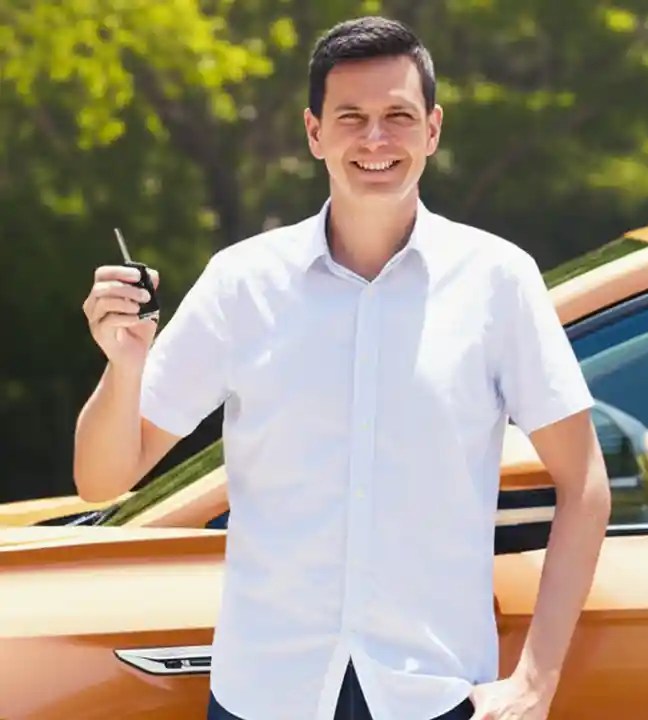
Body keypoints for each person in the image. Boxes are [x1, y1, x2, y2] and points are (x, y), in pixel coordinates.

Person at [74, 15, 611, 720]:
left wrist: (536, 681)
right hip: (264, 696)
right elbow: (102, 479)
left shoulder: (498, 281)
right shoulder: (242, 284)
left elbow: (586, 485)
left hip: (435, 694)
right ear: (314, 132)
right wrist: (123, 367)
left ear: (433, 130)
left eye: (398, 116)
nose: (376, 139)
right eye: (351, 117)